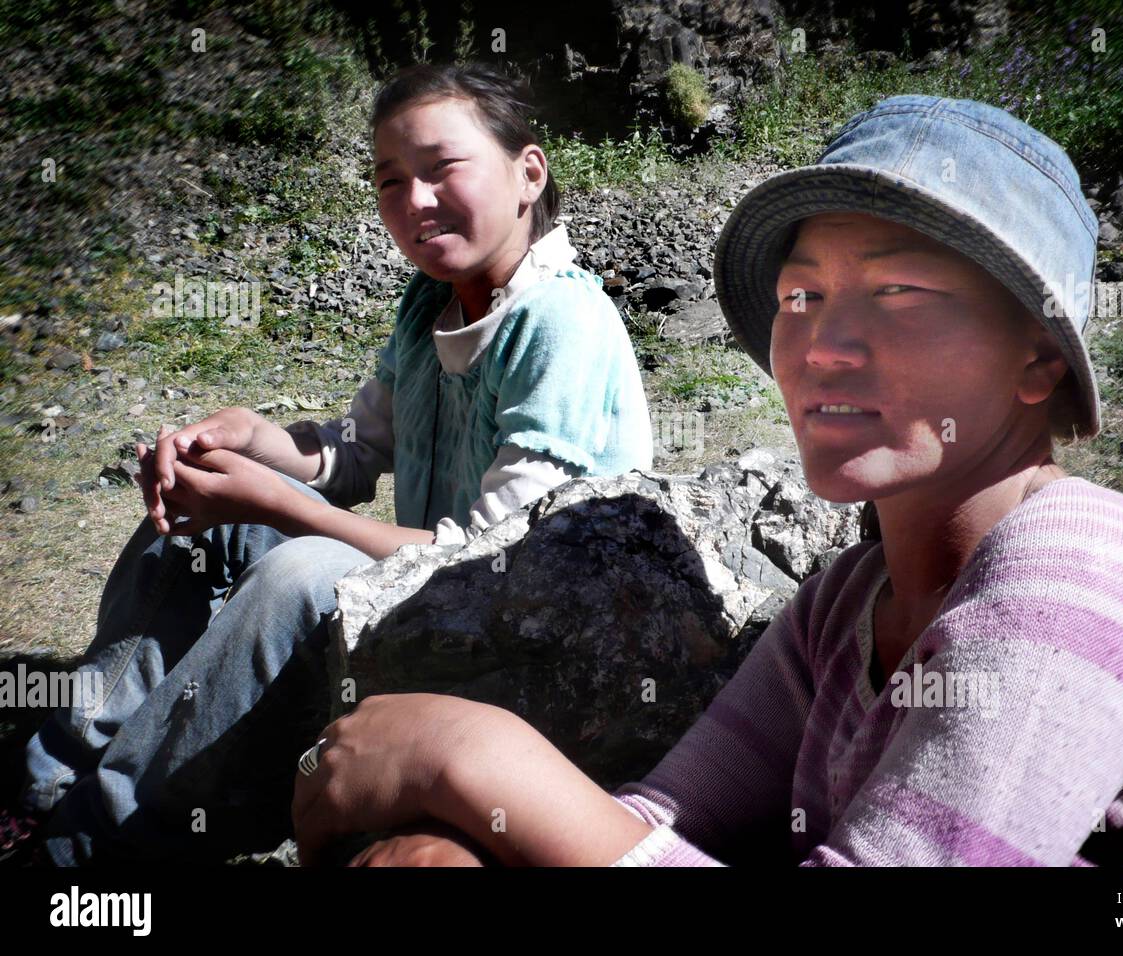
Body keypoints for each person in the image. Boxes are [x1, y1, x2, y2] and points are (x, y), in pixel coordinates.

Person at [290, 95, 1123, 867]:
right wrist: (467, 842)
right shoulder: (840, 610)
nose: (821, 346)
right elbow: (659, 822)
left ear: (1036, 361)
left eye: (900, 291)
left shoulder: (1085, 576)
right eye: (799, 294)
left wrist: (472, 760)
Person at [2, 61, 651, 866]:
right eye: (390, 181)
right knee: (203, 529)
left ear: (528, 172)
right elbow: (357, 449)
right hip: (437, 600)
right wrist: (251, 440)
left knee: (303, 571)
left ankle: (94, 848)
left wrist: (278, 507)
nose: (414, 201)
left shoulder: (563, 327)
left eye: (443, 167)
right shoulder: (433, 301)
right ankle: (46, 783)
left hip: (524, 648)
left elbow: (498, 562)